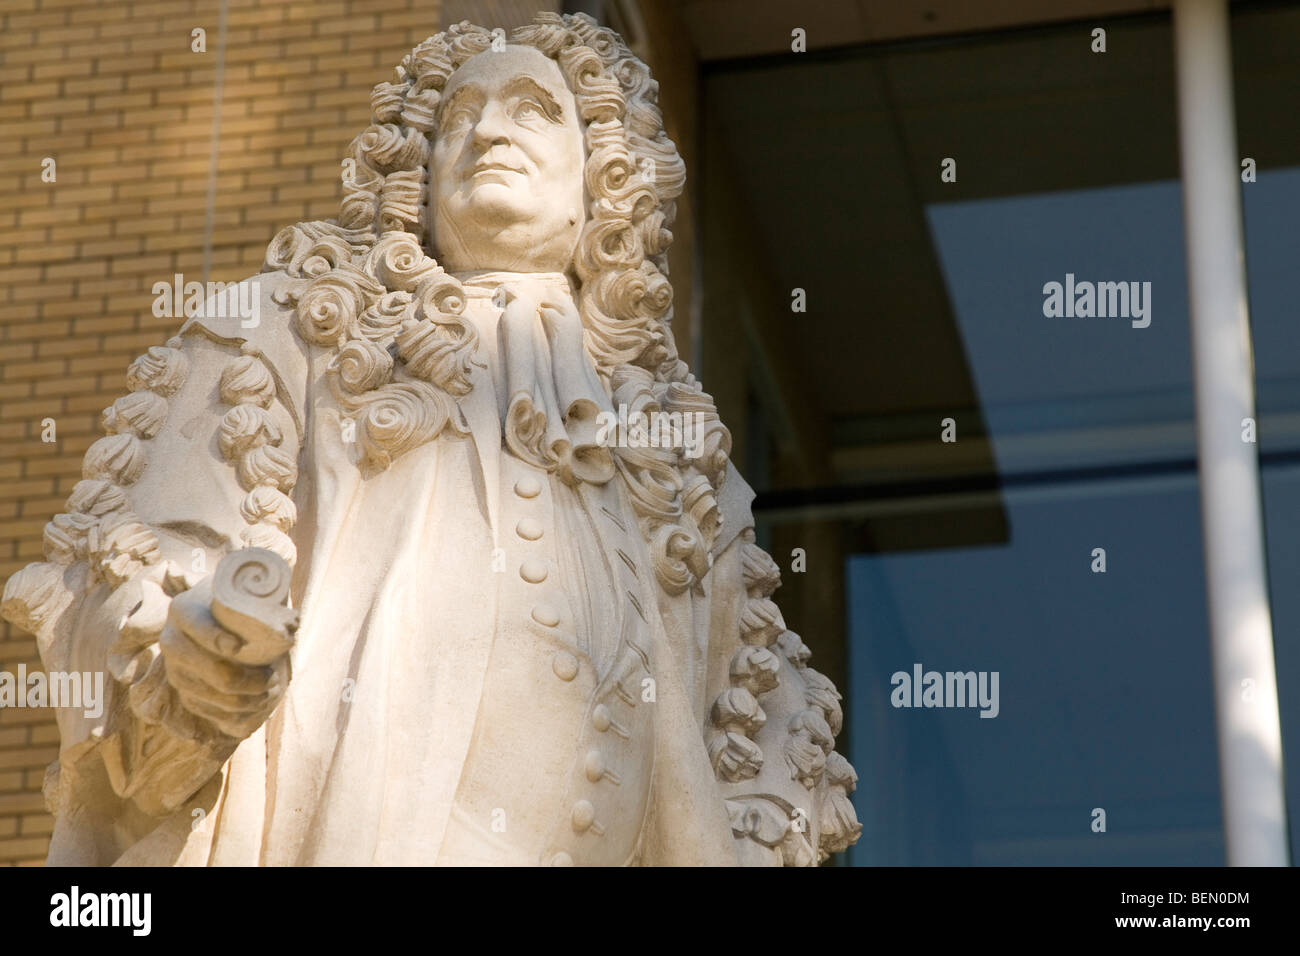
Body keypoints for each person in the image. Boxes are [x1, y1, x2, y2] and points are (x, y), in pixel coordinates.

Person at [2, 12, 860, 866]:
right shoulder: (294, 333)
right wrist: (189, 661)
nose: (487, 130)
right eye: (457, 118)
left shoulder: (679, 456)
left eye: (531, 108)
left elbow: (771, 726)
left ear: (607, 174)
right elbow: (139, 558)